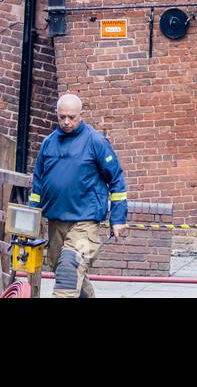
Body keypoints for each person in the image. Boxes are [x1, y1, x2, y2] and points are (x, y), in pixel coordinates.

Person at [28, 93, 127, 298]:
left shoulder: (96, 142)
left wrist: (118, 218)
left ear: (81, 115)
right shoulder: (48, 143)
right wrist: (31, 215)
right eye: (62, 116)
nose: (66, 121)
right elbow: (38, 184)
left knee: (69, 270)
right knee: (61, 268)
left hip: (85, 221)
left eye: (71, 117)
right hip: (56, 221)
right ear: (56, 114)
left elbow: (116, 178)